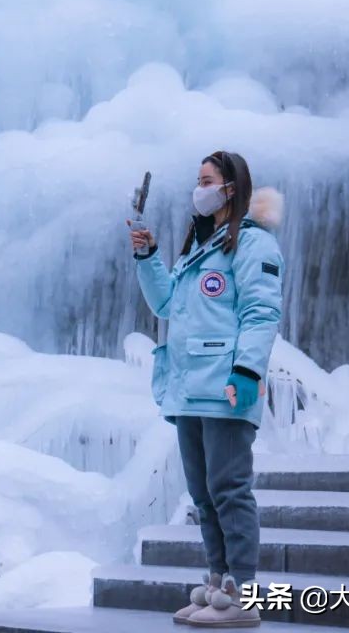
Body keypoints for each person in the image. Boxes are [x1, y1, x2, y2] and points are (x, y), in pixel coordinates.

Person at [127, 150, 283, 628]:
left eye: (207, 180)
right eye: (198, 180)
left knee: (230, 489)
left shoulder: (253, 245)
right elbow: (166, 304)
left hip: (226, 388)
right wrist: (148, 255)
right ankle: (219, 584)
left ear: (230, 189)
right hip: (187, 387)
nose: (199, 188)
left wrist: (247, 372)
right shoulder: (200, 246)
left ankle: (246, 591)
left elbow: (261, 314)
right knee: (204, 494)